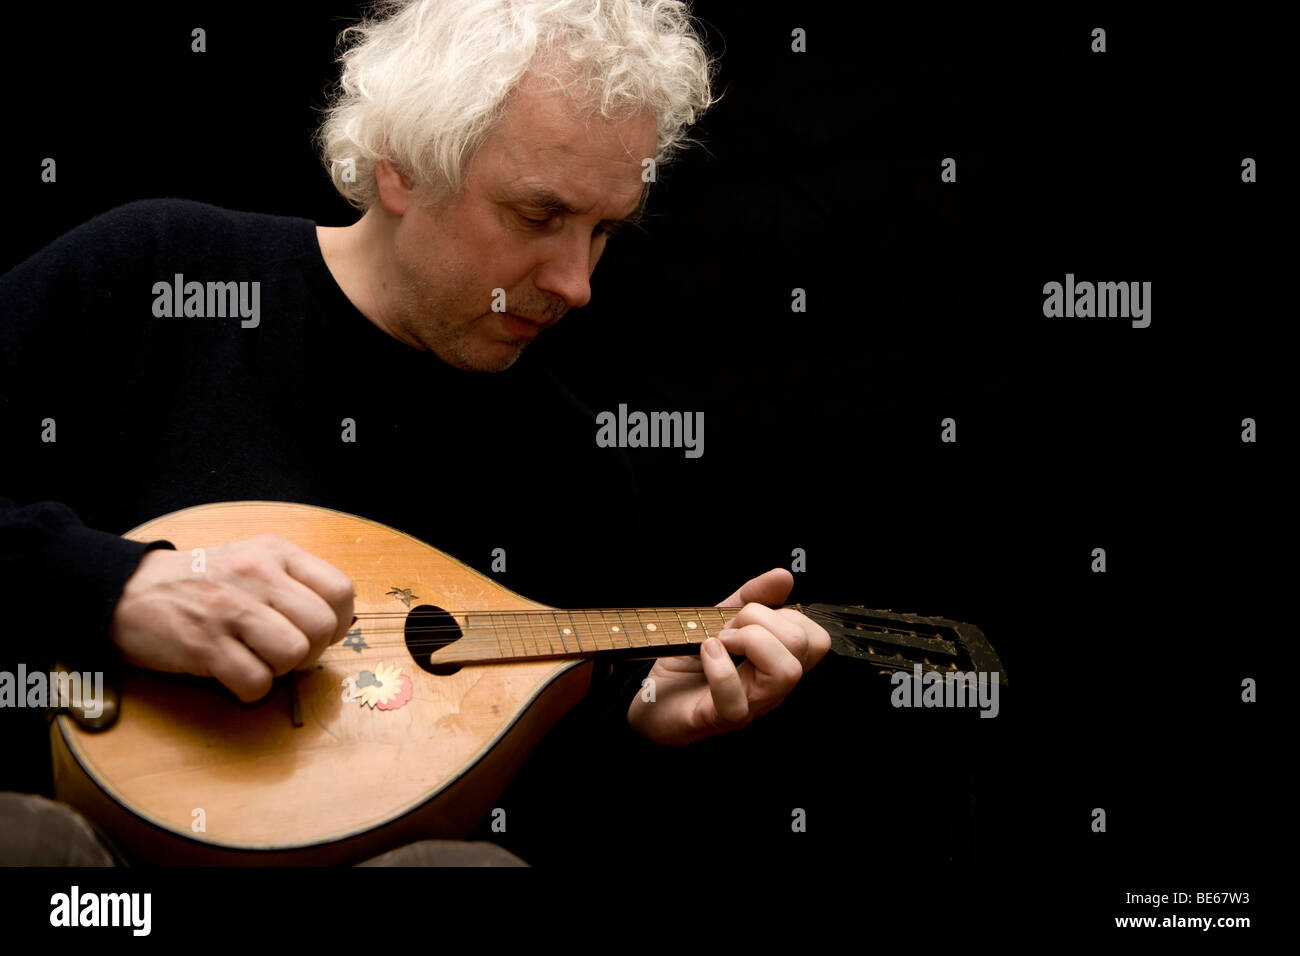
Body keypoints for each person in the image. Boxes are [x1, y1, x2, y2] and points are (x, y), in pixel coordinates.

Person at [0, 0, 829, 866]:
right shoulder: (159, 278)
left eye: (605, 231)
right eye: (540, 216)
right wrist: (117, 590)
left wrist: (640, 722)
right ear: (403, 168)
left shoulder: (572, 463)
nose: (576, 282)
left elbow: (529, 797)